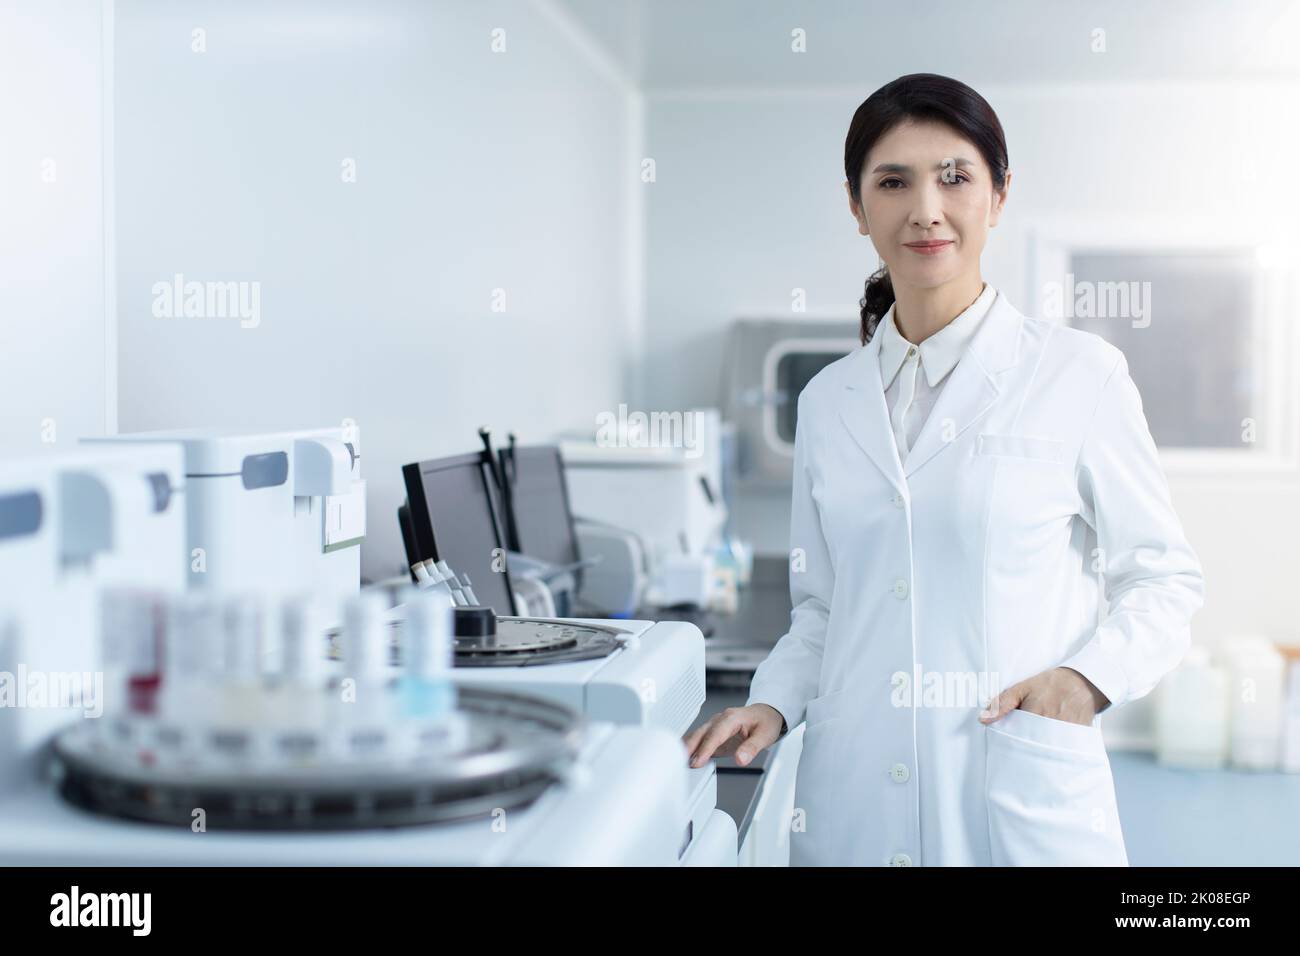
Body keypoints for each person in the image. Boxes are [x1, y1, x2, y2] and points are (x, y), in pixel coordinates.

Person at [682, 73, 1205, 866]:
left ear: (997, 195)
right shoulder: (828, 403)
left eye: (954, 177)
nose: (925, 208)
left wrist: (1083, 680)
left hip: (1013, 788)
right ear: (858, 209)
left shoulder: (1078, 375)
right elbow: (823, 608)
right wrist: (773, 702)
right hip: (854, 799)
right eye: (893, 182)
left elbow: (1164, 580)